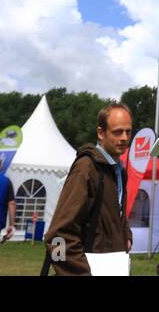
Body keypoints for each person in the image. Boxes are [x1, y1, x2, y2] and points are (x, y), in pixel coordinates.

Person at [43, 102, 134, 276]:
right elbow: (57, 237)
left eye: (128, 131)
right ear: (101, 132)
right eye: (117, 132)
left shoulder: (119, 171)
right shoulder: (86, 169)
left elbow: (114, 215)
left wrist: (126, 236)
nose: (124, 138)